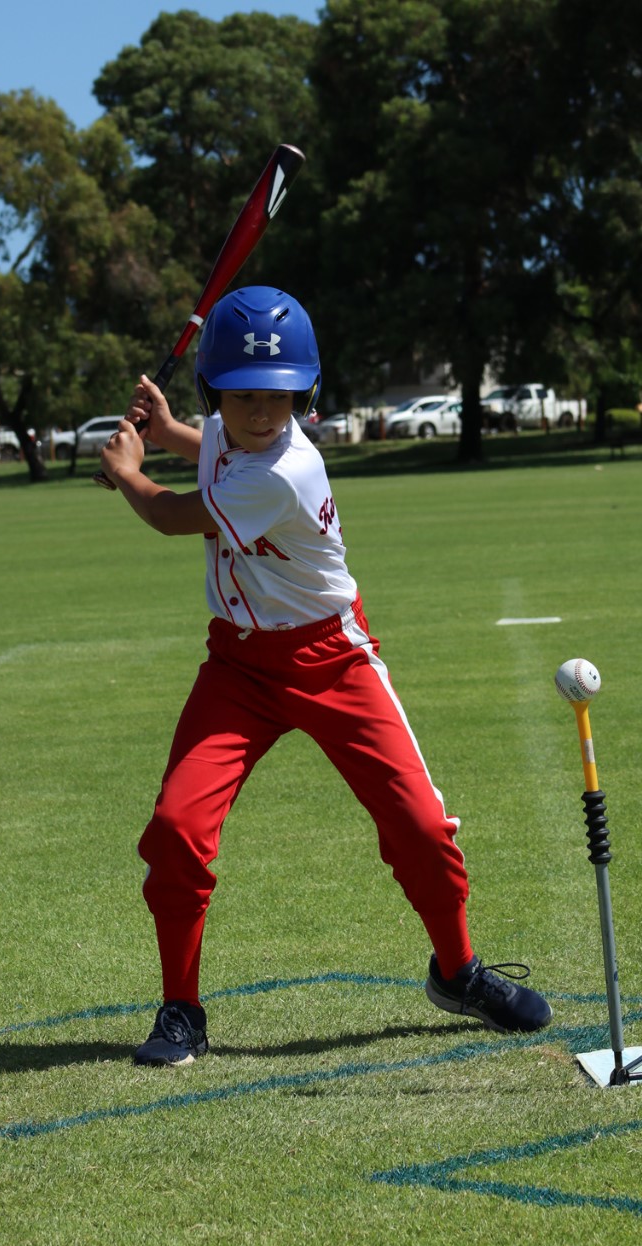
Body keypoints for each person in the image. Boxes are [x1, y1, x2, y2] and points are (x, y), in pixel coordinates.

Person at [101, 286, 553, 1066]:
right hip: (238, 665)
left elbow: (174, 514)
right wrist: (166, 425)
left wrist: (128, 470)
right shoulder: (226, 434)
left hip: (331, 658)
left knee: (419, 826)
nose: (263, 413)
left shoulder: (283, 469)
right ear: (217, 393)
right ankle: (181, 1008)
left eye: (281, 396)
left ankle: (459, 971)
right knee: (176, 831)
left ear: (303, 394)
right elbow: (206, 443)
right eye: (243, 395)